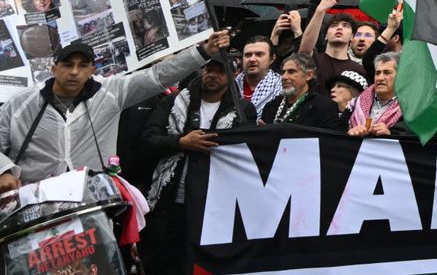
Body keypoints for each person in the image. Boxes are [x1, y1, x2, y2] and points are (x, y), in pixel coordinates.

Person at [0, 32, 226, 190]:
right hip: (35, 205)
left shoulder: (111, 93)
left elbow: (157, 76)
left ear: (92, 70)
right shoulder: (21, 103)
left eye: (82, 66)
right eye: (68, 65)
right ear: (54, 69)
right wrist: (5, 171)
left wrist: (203, 51)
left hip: (92, 203)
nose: (74, 72)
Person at [141, 50, 255, 275]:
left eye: (220, 71)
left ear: (233, 75)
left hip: (212, 201)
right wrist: (181, 142)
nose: (212, 75)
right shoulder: (174, 101)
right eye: (209, 69)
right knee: (160, 259)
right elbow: (148, 139)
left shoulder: (243, 110)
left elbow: (244, 153)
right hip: (168, 197)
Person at [258, 53, 346, 131]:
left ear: (308, 75)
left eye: (291, 72)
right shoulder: (271, 106)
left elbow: (327, 142)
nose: (284, 77)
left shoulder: (324, 107)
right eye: (283, 72)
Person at [349, 53, 405, 136]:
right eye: (378, 73)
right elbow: (339, 130)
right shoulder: (356, 102)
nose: (380, 78)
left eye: (387, 73)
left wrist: (390, 133)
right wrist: (351, 132)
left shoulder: (410, 108)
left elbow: (415, 135)